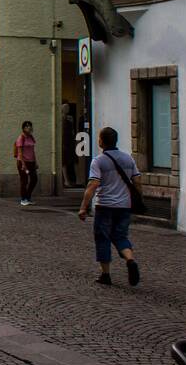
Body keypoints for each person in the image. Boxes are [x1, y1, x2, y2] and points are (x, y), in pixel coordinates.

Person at [77, 126, 142, 287]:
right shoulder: (128, 158)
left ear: (101, 141)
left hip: (105, 205)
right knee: (120, 236)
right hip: (124, 205)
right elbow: (137, 181)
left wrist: (83, 207)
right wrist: (137, 200)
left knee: (102, 238)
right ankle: (130, 260)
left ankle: (105, 274)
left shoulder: (99, 161)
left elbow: (93, 184)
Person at [14, 120, 38, 206]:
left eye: (30, 126)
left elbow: (32, 151)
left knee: (34, 179)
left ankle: (28, 197)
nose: (29, 127)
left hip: (31, 162)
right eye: (27, 126)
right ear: (23, 128)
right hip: (22, 162)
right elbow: (20, 153)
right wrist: (23, 165)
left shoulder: (31, 137)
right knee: (24, 181)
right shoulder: (21, 138)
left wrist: (35, 162)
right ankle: (23, 199)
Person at [61, 102, 78, 187]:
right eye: (65, 108)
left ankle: (76, 179)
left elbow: (72, 130)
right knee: (64, 161)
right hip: (63, 140)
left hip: (70, 140)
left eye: (68, 108)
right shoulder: (61, 118)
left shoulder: (70, 118)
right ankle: (66, 180)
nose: (67, 109)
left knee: (73, 160)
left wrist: (74, 139)